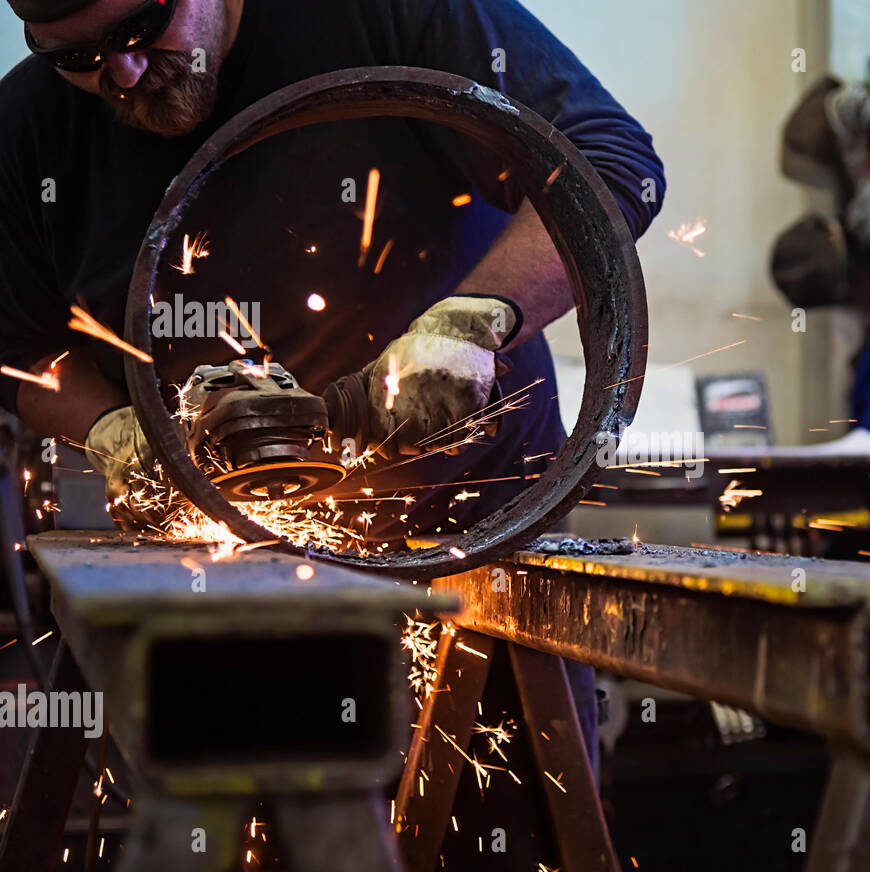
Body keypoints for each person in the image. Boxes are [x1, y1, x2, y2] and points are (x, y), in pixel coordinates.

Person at [1, 0, 664, 775]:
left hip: (464, 538)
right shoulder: (28, 128)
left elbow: (608, 163)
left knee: (511, 842)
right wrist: (116, 427)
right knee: (238, 859)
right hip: (214, 563)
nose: (125, 71)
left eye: (141, 29)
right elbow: (19, 344)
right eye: (76, 57)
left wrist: (472, 321)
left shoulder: (389, 16)